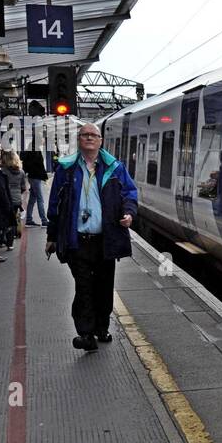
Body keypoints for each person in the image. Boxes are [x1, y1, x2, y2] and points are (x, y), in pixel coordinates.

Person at [46, 123, 138, 351]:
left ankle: (101, 328)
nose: (89, 138)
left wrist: (129, 213)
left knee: (104, 287)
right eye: (85, 135)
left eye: (93, 135)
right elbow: (55, 205)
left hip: (105, 240)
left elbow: (129, 193)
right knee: (84, 287)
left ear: (100, 141)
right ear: (79, 140)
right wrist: (52, 235)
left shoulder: (115, 168)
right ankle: (86, 334)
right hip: (77, 240)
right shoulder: (66, 169)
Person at [0, 148, 27, 249]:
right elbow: (23, 188)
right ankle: (10, 244)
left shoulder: (2, 171)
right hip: (16, 200)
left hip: (5, 199)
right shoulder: (21, 172)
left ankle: (2, 240)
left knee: (4, 220)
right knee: (13, 221)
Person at [22, 146, 49, 226]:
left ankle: (29, 220)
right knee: (40, 199)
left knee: (32, 199)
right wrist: (44, 177)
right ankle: (44, 221)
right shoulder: (36, 151)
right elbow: (40, 166)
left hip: (31, 177)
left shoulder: (29, 150)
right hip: (36, 178)